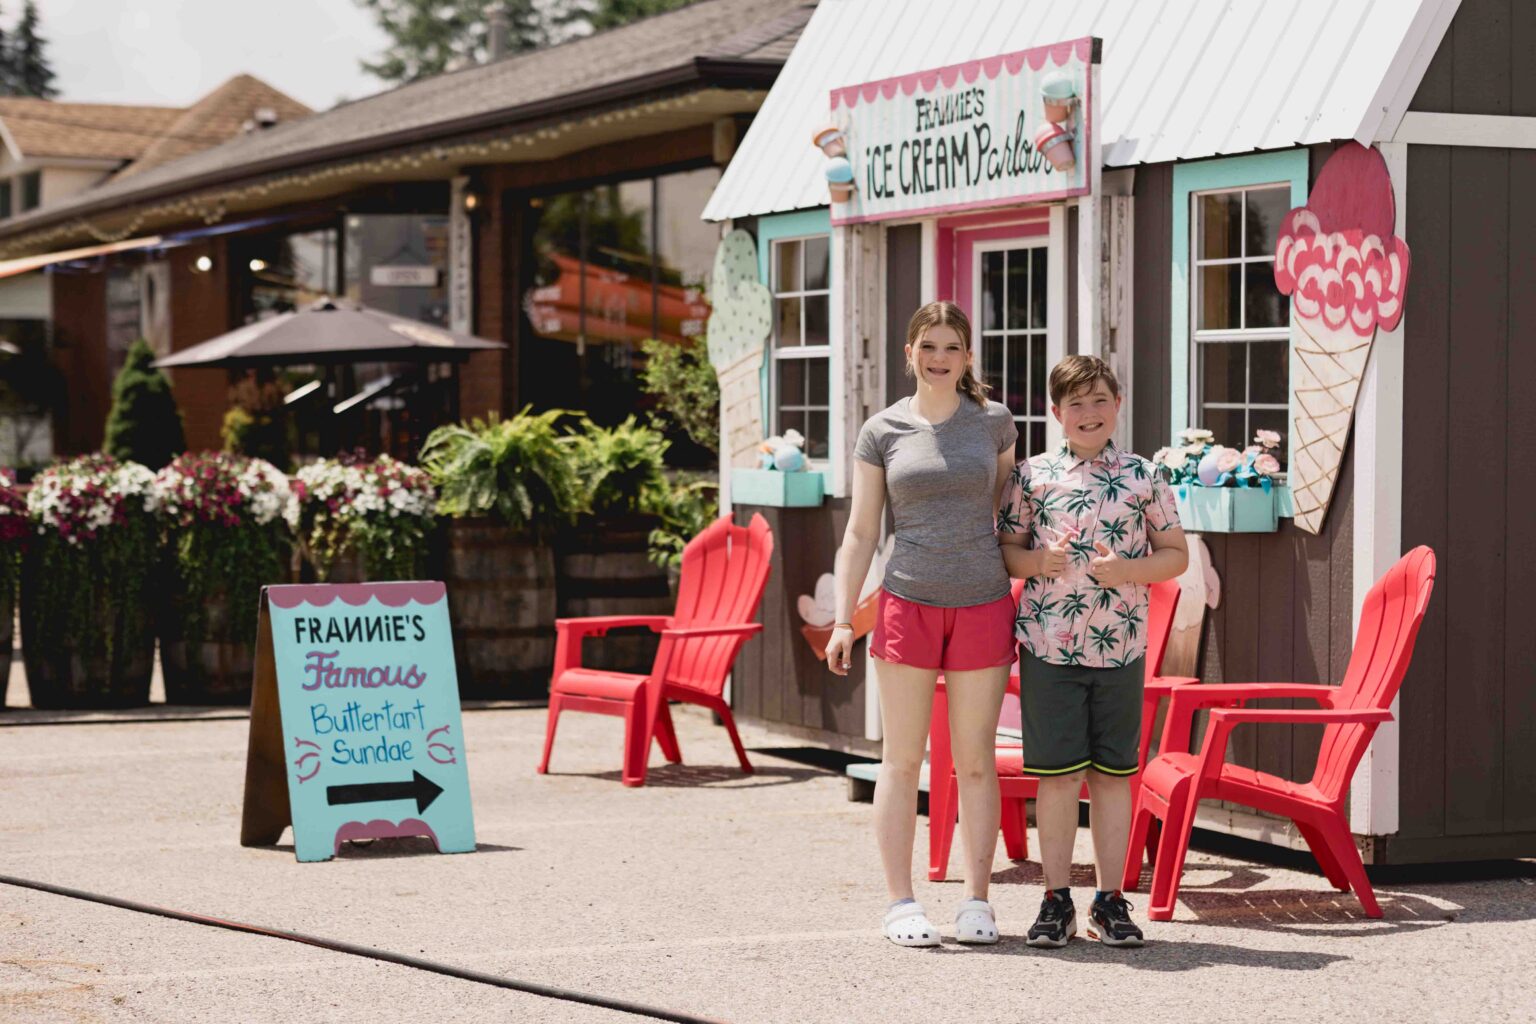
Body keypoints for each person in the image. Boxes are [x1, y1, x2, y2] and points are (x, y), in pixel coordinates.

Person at [826, 300, 1019, 947]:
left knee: (975, 763)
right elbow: (860, 532)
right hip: (906, 601)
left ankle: (977, 902)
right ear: (909, 353)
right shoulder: (881, 430)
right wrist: (841, 622)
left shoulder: (995, 423)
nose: (939, 358)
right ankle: (900, 902)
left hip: (984, 602)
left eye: (952, 347)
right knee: (902, 761)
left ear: (968, 357)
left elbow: (1006, 512)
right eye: (928, 346)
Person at [997, 354, 1188, 948]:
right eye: (1075, 403)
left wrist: (1130, 568)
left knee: (1111, 776)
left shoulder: (1143, 475)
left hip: (1121, 649)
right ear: (1056, 413)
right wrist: (1036, 563)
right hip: (1048, 647)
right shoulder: (1031, 476)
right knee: (1056, 778)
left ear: (1118, 405)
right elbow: (1006, 549)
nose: (1089, 412)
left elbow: (1176, 554)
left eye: (1099, 400)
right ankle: (1057, 899)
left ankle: (1110, 900)